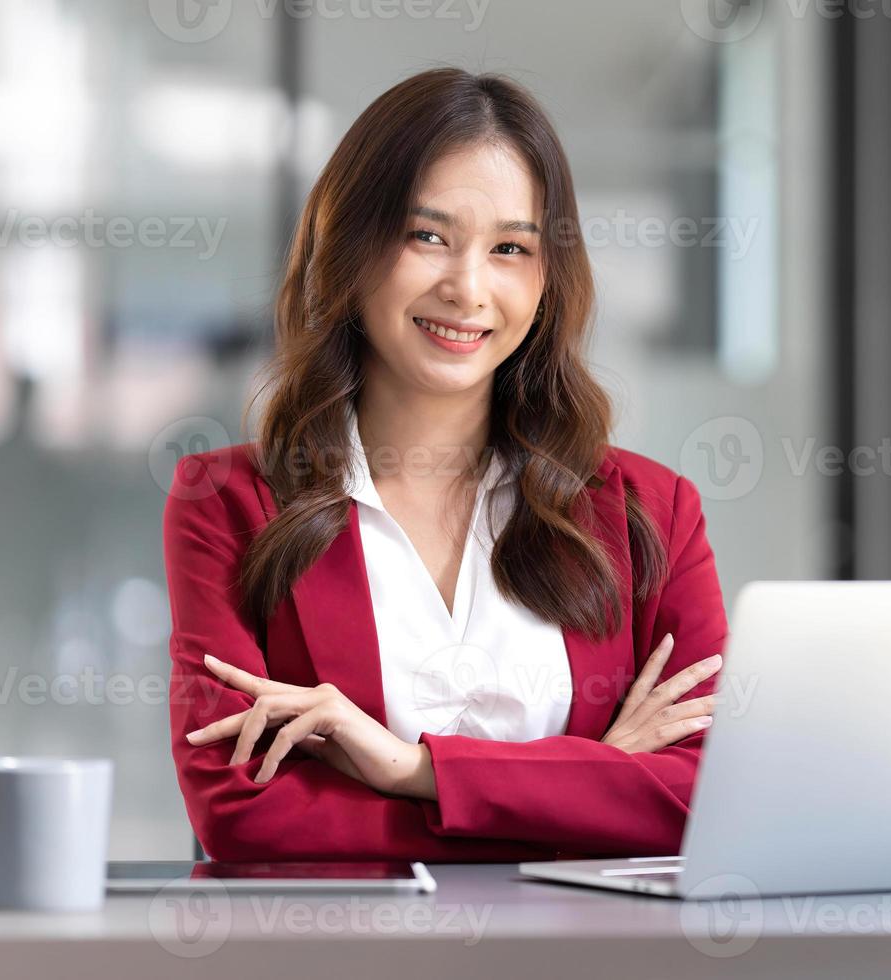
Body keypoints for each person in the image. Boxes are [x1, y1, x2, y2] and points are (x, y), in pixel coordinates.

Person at [160, 67, 727, 862]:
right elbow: (243, 816)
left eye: (510, 248)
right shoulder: (227, 505)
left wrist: (412, 770)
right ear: (350, 248)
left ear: (548, 278)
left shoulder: (651, 512)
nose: (467, 288)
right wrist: (593, 784)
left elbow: (710, 797)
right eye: (427, 237)